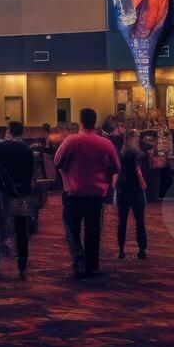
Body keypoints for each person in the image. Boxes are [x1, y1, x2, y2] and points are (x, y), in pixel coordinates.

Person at [53, 108, 118, 281]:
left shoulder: (71, 140)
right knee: (93, 231)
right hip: (96, 194)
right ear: (94, 122)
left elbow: (57, 161)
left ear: (81, 122)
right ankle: (92, 266)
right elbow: (116, 167)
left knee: (71, 228)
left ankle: (78, 256)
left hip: (73, 193)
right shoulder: (106, 143)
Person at [0, 121, 35, 278]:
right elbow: (30, 174)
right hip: (19, 194)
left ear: (8, 132)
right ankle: (22, 264)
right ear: (21, 133)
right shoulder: (27, 150)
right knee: (21, 228)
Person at [115, 129, 151, 261]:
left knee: (122, 221)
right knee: (140, 221)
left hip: (124, 190)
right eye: (136, 137)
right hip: (136, 191)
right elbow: (145, 174)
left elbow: (117, 172)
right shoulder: (140, 155)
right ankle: (142, 250)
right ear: (134, 139)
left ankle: (121, 251)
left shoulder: (121, 154)